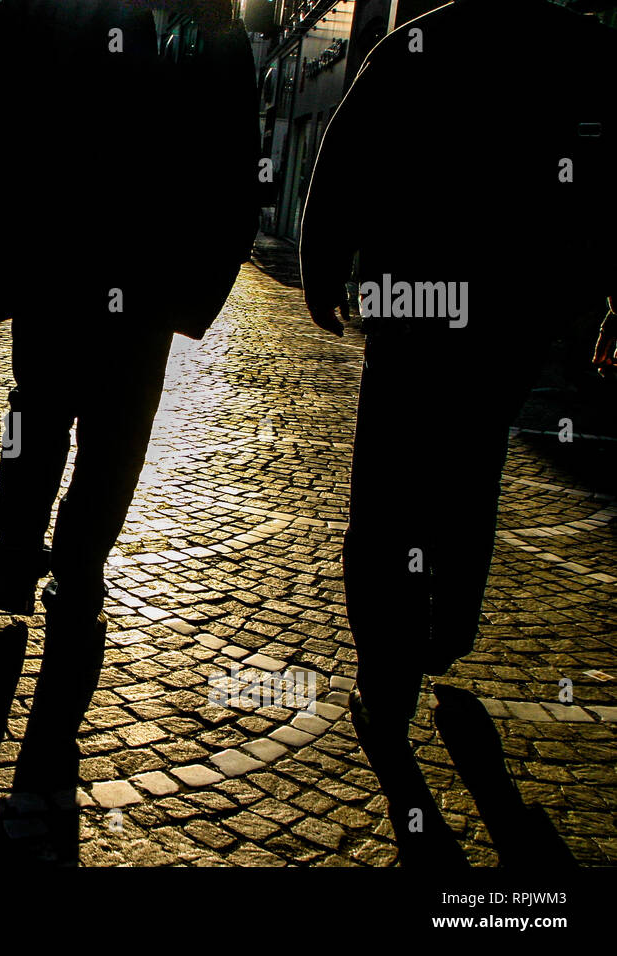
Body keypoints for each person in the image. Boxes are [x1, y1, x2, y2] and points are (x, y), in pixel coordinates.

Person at [300, 0, 617, 864]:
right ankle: (449, 625)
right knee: (471, 466)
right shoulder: (579, 48)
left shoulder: (415, 42)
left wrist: (323, 266)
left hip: (413, 306)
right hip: (512, 312)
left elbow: (346, 155)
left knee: (391, 495)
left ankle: (390, 673)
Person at [0, 0, 259, 627]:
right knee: (116, 428)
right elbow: (234, 158)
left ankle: (20, 550)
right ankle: (78, 566)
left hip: (53, 252)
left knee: (37, 405)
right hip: (147, 266)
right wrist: (200, 285)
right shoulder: (210, 20)